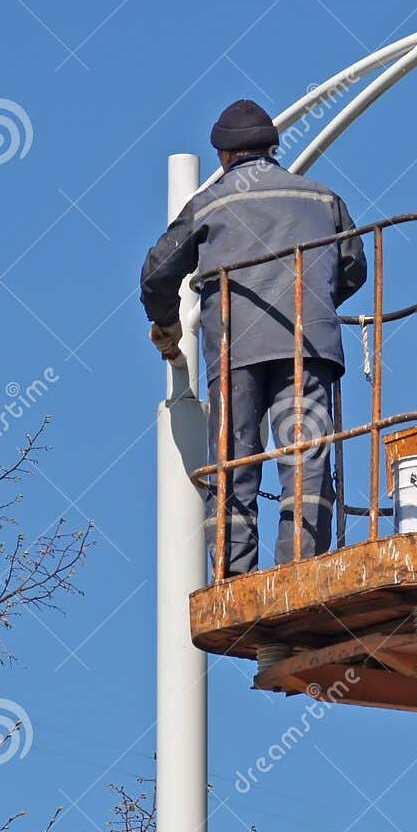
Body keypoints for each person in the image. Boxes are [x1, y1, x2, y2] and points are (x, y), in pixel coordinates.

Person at [140, 99, 368, 576]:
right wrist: (308, 304)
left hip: (235, 351)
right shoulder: (321, 198)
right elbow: (352, 268)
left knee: (235, 462)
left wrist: (168, 324)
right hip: (308, 349)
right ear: (273, 148)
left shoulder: (210, 202)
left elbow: (157, 272)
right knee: (304, 457)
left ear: (225, 157)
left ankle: (233, 576)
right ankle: (299, 574)